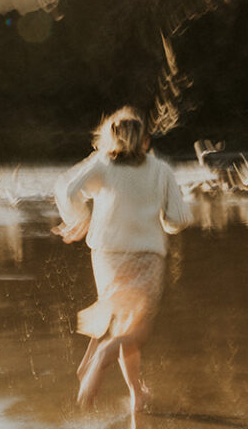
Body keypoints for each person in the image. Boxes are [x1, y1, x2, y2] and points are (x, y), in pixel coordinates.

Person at [56, 107, 193, 413]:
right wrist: (168, 223)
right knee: (137, 331)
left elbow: (66, 191)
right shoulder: (161, 170)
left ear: (109, 138)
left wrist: (80, 218)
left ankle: (135, 393)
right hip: (146, 256)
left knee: (120, 320)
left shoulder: (103, 164)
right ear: (145, 141)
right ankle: (101, 356)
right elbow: (178, 218)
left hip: (107, 256)